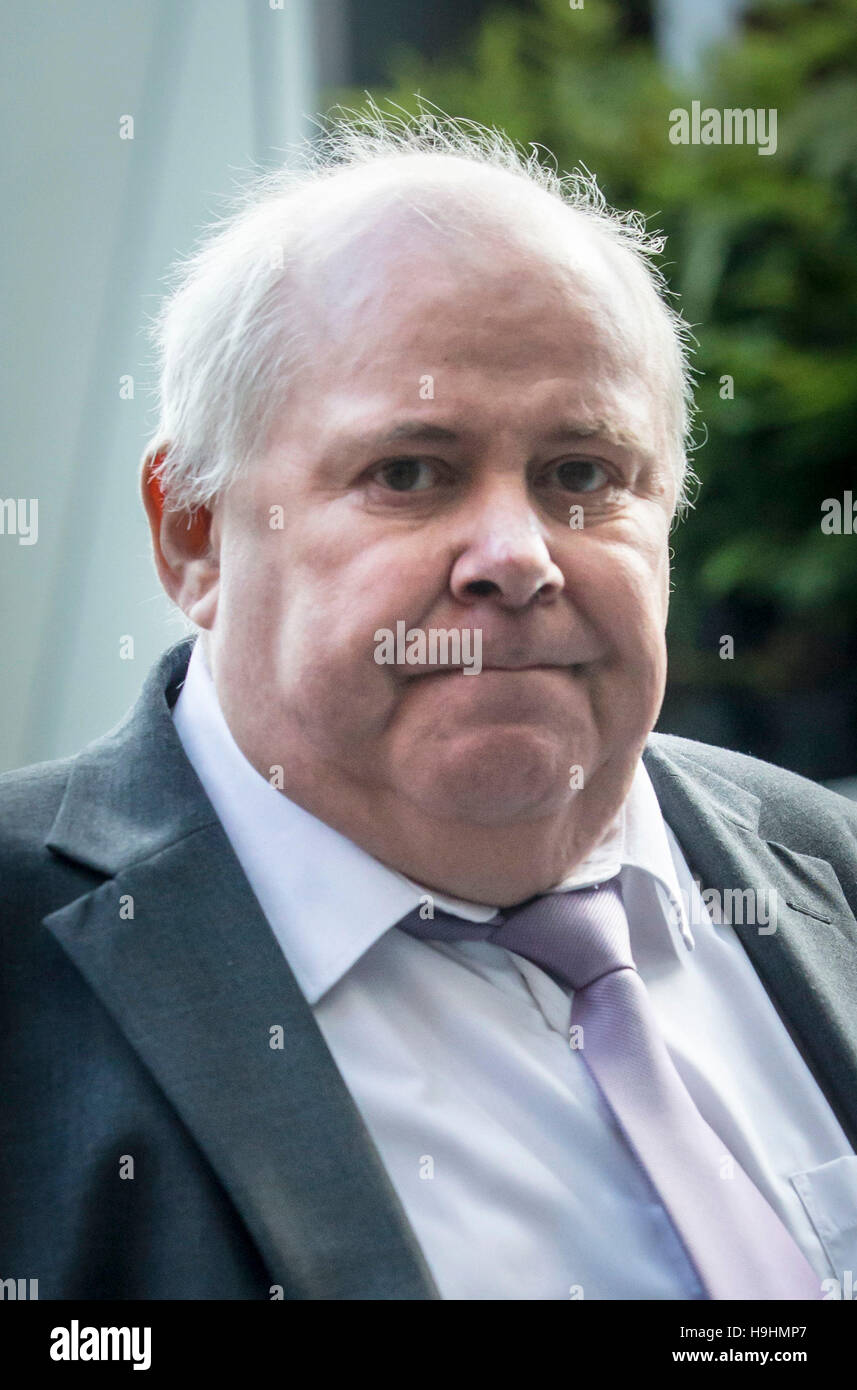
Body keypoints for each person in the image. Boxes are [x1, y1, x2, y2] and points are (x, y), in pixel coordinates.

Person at [2, 110, 856, 1302]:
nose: (514, 555)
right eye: (409, 471)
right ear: (192, 531)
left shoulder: (823, 865)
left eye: (580, 476)